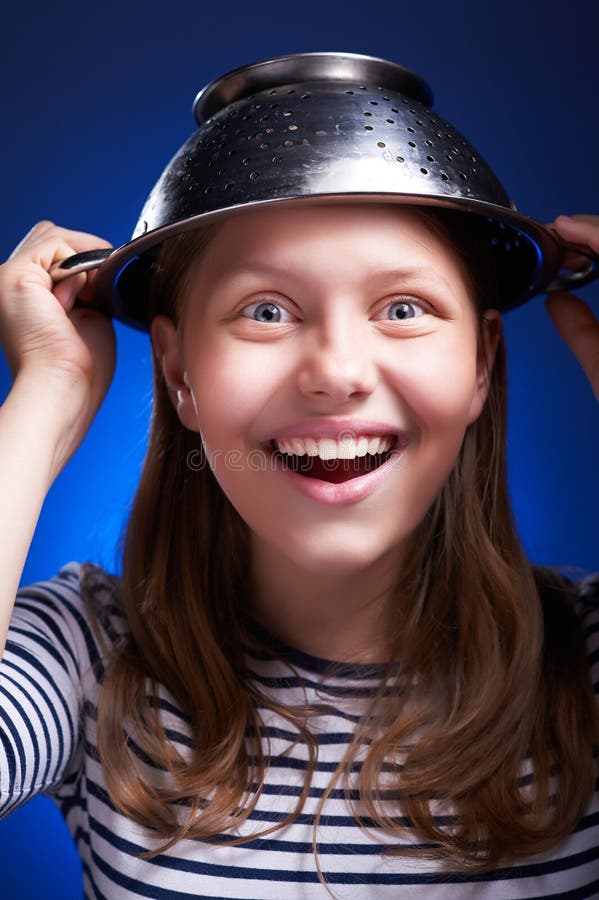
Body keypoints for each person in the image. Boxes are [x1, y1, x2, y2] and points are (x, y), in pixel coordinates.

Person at [0, 53, 598, 899]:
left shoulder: (585, 661)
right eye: (266, 310)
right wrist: (47, 397)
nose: (337, 371)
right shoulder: (90, 658)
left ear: (479, 363)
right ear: (177, 373)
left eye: (402, 309)